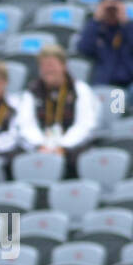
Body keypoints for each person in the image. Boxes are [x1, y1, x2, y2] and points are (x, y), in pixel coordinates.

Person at [17, 44, 99, 178]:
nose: (48, 69)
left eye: (52, 64)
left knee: (83, 158)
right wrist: (40, 145)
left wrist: (63, 146)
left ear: (63, 66)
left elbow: (85, 124)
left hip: (71, 146)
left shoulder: (80, 90)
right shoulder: (32, 92)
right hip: (42, 146)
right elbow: (26, 124)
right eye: (44, 65)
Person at [76, 0, 133, 105]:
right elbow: (84, 49)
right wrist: (96, 20)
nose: (111, 11)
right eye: (107, 7)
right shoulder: (96, 28)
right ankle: (118, 119)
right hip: (109, 81)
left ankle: (127, 118)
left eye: (115, 6)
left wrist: (125, 22)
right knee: (114, 100)